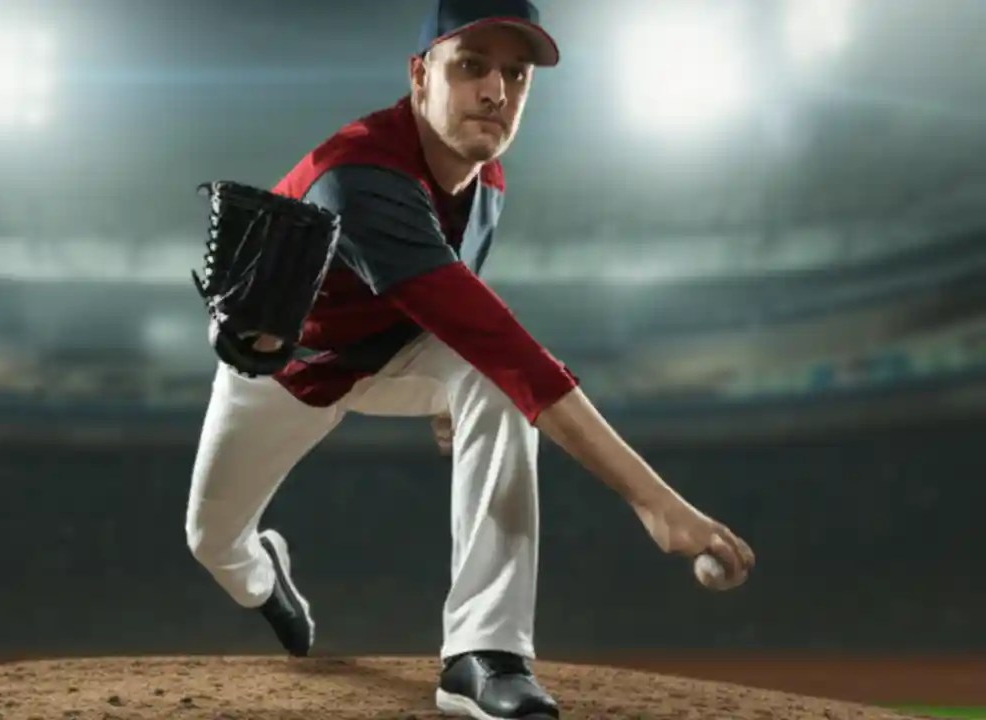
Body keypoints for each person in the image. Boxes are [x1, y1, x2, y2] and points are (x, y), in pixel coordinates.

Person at [184, 1, 756, 718]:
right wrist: (657, 503)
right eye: (472, 66)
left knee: (493, 381)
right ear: (420, 75)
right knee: (211, 541)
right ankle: (267, 582)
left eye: (517, 74)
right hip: (286, 369)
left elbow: (474, 333)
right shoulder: (359, 174)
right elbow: (509, 345)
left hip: (389, 358)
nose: (497, 91)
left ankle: (485, 655)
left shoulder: (487, 185)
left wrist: (453, 393)